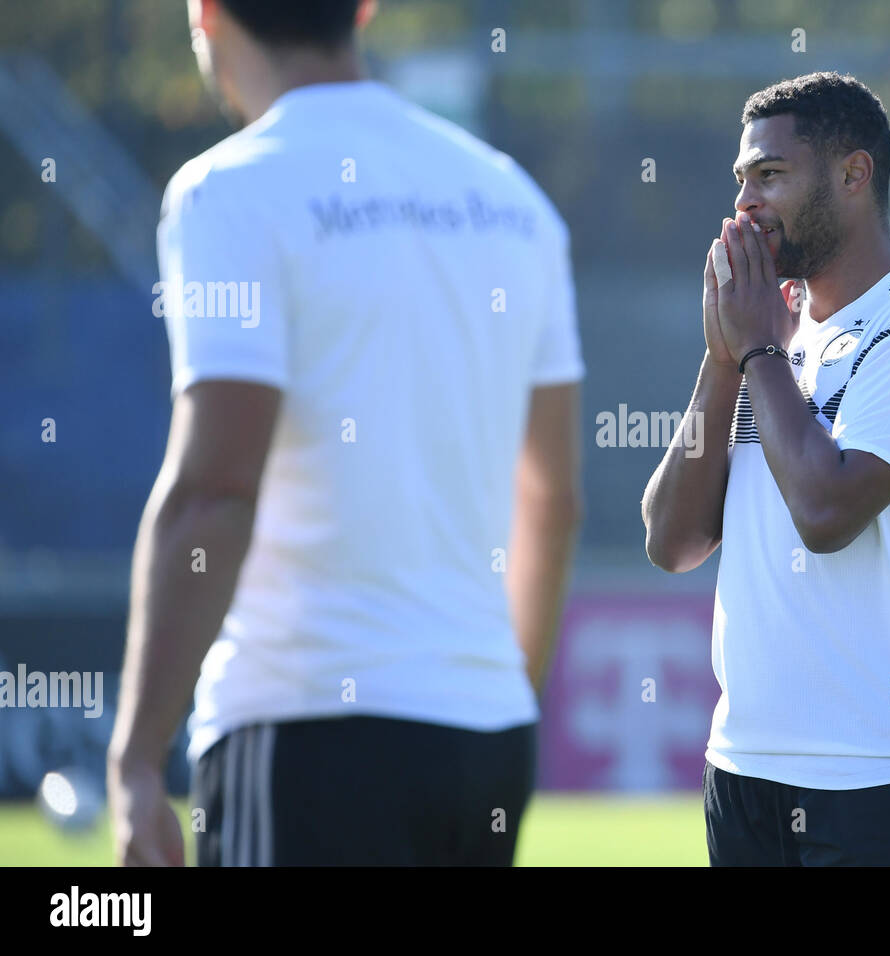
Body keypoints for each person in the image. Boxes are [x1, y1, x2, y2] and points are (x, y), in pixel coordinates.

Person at [108, 0, 583, 866]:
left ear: (205, 15)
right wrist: (494, 691)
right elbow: (551, 500)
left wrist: (137, 760)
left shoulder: (230, 189)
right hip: (484, 742)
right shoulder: (515, 201)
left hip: (304, 730)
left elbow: (216, 489)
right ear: (363, 9)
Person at [642, 71, 890, 866]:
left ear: (852, 174)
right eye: (741, 180)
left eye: (770, 175)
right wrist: (722, 357)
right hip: (744, 772)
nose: (745, 205)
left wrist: (759, 348)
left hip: (884, 774)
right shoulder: (772, 337)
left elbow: (827, 514)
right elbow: (672, 541)